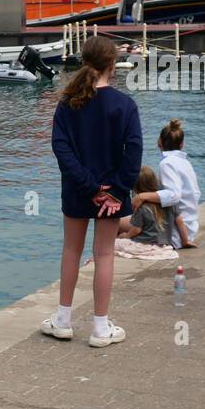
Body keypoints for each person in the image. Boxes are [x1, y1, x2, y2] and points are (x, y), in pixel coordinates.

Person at [42, 35, 142, 347]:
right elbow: (134, 153)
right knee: (104, 254)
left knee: (71, 250)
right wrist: (114, 191)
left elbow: (62, 149)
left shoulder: (67, 104)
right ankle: (100, 327)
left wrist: (88, 186)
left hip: (76, 190)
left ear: (84, 61)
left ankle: (63, 319)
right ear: (112, 65)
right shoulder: (125, 105)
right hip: (112, 194)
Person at [131, 119, 200, 249]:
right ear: (182, 144)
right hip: (188, 228)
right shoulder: (185, 163)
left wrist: (142, 196)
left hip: (173, 234)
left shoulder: (167, 163)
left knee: (118, 223)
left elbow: (173, 195)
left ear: (160, 142)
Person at [119, 166, 180, 246]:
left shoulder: (141, 207)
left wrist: (126, 236)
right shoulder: (169, 203)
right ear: (155, 181)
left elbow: (136, 230)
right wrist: (185, 241)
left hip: (144, 244)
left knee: (118, 240)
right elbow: (180, 222)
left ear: (135, 187)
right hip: (164, 244)